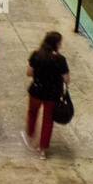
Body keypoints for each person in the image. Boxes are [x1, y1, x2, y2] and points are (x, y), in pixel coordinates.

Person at [23, 31, 69, 159]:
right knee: (48, 120)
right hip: (53, 93)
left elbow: (29, 73)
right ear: (56, 44)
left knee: (32, 112)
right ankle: (43, 149)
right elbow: (66, 79)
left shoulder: (36, 55)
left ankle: (30, 134)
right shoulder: (60, 59)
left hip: (37, 90)